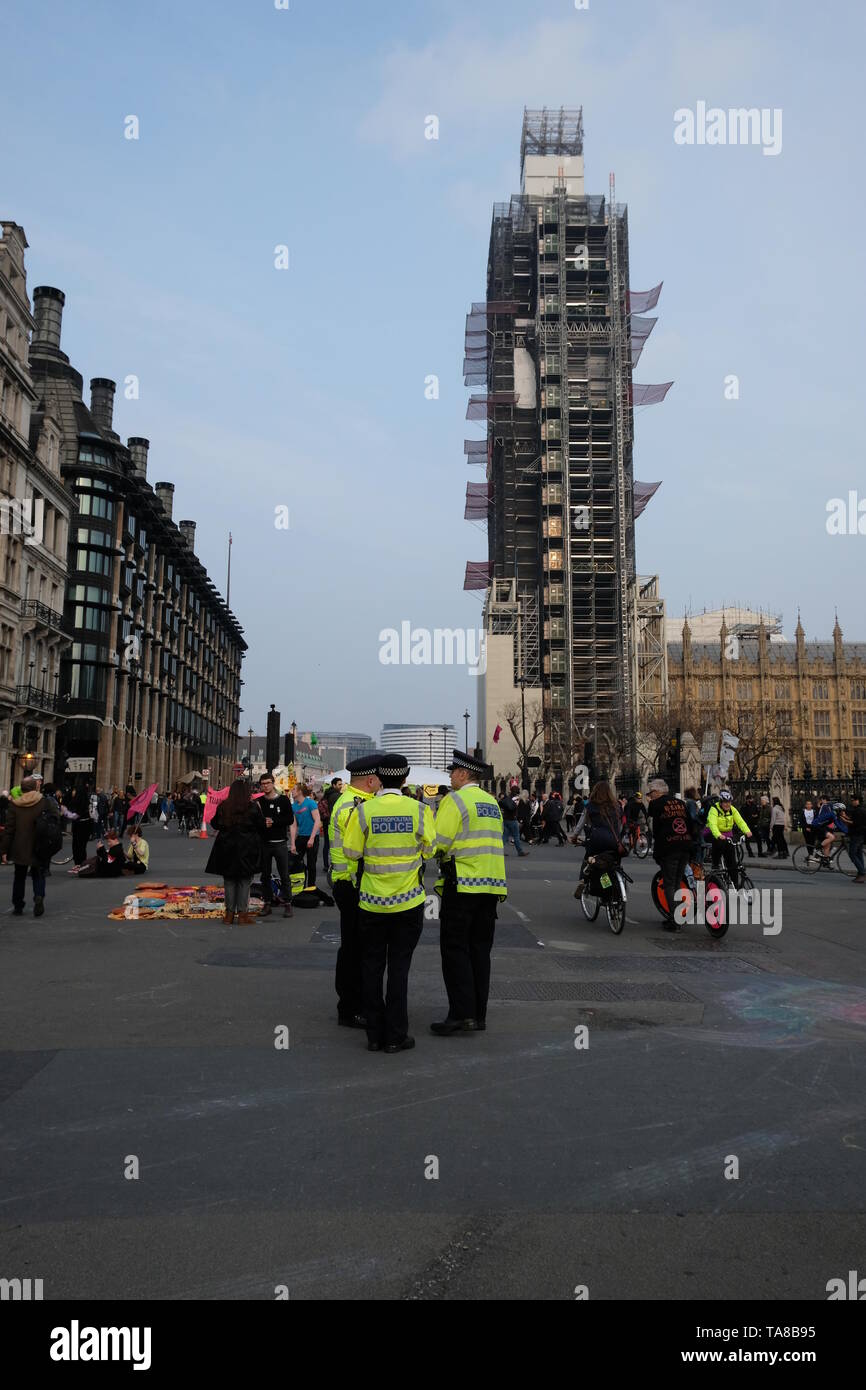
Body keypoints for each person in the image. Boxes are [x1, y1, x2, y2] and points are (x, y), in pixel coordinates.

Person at [342, 753, 435, 1053]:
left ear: (379, 778)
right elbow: (430, 849)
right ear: (405, 777)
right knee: (399, 969)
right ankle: (395, 1035)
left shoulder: (365, 811)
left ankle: (373, 1034)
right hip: (407, 903)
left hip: (371, 903)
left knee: (371, 966)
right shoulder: (420, 810)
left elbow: (351, 853)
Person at [432, 750, 507, 1035]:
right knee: (480, 952)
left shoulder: (456, 800)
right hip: (491, 886)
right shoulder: (491, 802)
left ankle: (460, 1015)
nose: (450, 775)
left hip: (462, 884)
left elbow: (439, 842)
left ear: (464, 774)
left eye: (453, 771)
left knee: (455, 950)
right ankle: (478, 1014)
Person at [328, 755, 382, 1028]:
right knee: (354, 948)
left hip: (349, 882)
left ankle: (354, 1003)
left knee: (356, 946)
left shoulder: (357, 802)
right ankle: (350, 1007)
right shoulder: (353, 806)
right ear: (370, 780)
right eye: (379, 779)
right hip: (351, 884)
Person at [1, 775, 61, 915]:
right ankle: (38, 896)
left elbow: (9, 829)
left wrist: (3, 850)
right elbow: (55, 818)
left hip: (19, 846)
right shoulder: (44, 802)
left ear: (21, 789)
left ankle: (18, 904)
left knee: (19, 876)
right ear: (35, 787)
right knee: (38, 874)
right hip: (39, 844)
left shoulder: (15, 805)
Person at [206, 779, 264, 924]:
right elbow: (261, 825)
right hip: (247, 848)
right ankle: (243, 914)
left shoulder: (224, 806)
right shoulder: (252, 807)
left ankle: (229, 914)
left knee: (229, 881)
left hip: (227, 847)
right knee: (244, 881)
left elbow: (215, 824)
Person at [646, 778, 694, 930]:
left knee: (669, 884)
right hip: (685, 844)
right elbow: (690, 823)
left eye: (650, 793)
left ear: (656, 792)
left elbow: (656, 828)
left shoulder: (656, 803)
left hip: (669, 847)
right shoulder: (680, 803)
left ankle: (675, 920)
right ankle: (679, 915)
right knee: (678, 881)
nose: (649, 796)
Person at [254, 773, 295, 918]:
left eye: (267, 783)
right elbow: (255, 821)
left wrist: (274, 822)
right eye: (263, 783)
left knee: (284, 874)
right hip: (264, 843)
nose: (265, 786)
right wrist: (262, 823)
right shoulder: (258, 802)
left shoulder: (283, 800)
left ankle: (288, 903)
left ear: (273, 783)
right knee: (265, 875)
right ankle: (267, 903)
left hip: (280, 843)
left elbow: (289, 819)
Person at [574, 781, 626, 897]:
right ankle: (617, 888)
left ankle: (584, 881)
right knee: (613, 863)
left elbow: (580, 824)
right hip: (615, 841)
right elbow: (620, 825)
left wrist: (574, 837)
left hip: (597, 840)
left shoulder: (590, 806)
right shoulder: (617, 806)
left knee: (589, 859)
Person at [707, 790, 752, 882]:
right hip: (715, 833)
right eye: (725, 802)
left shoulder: (732, 809)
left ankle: (735, 885)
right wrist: (718, 835)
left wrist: (747, 831)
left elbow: (740, 821)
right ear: (721, 802)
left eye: (729, 802)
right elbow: (712, 824)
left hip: (728, 834)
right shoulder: (714, 809)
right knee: (718, 844)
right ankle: (715, 865)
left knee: (732, 862)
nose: (727, 804)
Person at [291, 783, 321, 887]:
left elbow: (317, 821)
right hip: (301, 837)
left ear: (300, 791)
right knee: (297, 862)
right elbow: (293, 826)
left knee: (311, 864)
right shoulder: (293, 806)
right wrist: (293, 843)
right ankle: (301, 887)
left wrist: (312, 838)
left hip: (312, 836)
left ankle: (311, 887)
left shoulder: (310, 803)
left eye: (294, 789)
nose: (292, 790)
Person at [841, 795, 866, 884]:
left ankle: (862, 873)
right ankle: (861, 873)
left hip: (857, 835)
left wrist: (844, 820)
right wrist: (845, 817)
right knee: (859, 854)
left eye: (853, 800)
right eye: (851, 800)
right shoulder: (859, 810)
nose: (852, 802)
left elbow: (854, 823)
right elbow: (853, 819)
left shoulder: (859, 811)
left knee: (852, 854)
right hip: (859, 835)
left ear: (858, 801)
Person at [498, 788, 528, 856]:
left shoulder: (507, 798)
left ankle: (499, 850)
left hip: (505, 819)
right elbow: (517, 809)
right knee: (516, 836)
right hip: (512, 819)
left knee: (505, 836)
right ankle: (520, 851)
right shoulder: (516, 798)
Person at [69, 783, 93, 865]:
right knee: (82, 846)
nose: (73, 792)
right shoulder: (85, 801)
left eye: (74, 790)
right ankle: (81, 863)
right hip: (86, 824)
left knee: (77, 846)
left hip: (79, 825)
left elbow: (74, 815)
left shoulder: (76, 802)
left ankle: (78, 863)